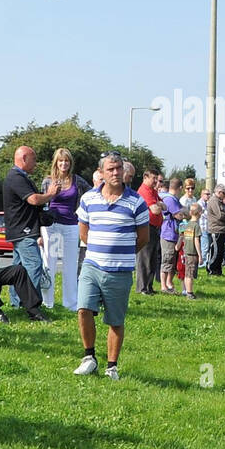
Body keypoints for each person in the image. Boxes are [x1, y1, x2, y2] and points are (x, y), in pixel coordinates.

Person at [73, 154, 149, 381]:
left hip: (120, 271)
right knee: (84, 309)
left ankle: (111, 367)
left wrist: (121, 252)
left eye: (118, 169)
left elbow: (143, 238)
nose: (115, 173)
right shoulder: (88, 199)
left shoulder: (136, 202)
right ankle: (89, 358)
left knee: (115, 320)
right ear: (102, 172)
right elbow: (83, 232)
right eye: (111, 169)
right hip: (92, 266)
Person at [1, 145, 53, 319]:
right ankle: (32, 305)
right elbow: (33, 199)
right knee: (33, 266)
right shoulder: (16, 177)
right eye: (34, 159)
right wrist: (51, 194)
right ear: (24, 158)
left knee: (18, 269)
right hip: (24, 230)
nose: (36, 164)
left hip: (19, 229)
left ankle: (17, 303)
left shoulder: (18, 177)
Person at [42, 148, 89, 311]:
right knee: (50, 263)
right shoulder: (48, 181)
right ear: (56, 162)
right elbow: (42, 204)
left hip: (71, 226)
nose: (64, 163)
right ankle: (47, 302)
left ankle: (71, 303)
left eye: (67, 161)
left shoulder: (77, 180)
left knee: (70, 264)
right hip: (52, 227)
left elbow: (91, 194)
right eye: (61, 160)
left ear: (70, 163)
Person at [134, 168, 163, 295]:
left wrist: (158, 204)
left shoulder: (153, 191)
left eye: (157, 178)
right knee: (144, 259)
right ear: (145, 178)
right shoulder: (144, 191)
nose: (156, 181)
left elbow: (163, 205)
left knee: (152, 259)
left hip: (155, 228)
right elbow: (156, 210)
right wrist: (158, 205)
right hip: (147, 227)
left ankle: (149, 286)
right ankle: (142, 288)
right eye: (153, 178)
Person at [158, 178, 185, 294]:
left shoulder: (175, 199)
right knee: (167, 259)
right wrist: (184, 213)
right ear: (180, 188)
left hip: (174, 233)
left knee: (173, 260)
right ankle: (164, 285)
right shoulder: (170, 200)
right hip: (168, 233)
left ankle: (169, 283)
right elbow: (179, 215)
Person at [205, 185, 225, 276]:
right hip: (216, 230)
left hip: (222, 231)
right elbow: (220, 216)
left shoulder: (220, 202)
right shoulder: (214, 201)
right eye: (224, 193)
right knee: (215, 252)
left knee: (220, 253)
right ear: (219, 192)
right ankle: (211, 270)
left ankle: (217, 271)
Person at [178, 202, 202, 299]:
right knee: (190, 274)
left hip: (186, 252)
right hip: (192, 253)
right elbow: (196, 240)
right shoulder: (196, 226)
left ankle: (188, 291)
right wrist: (200, 255)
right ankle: (190, 293)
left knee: (187, 272)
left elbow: (183, 237)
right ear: (199, 213)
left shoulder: (187, 225)